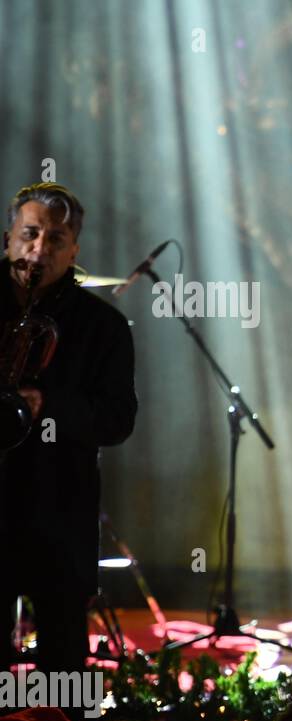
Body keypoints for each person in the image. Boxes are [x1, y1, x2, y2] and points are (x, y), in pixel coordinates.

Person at [0, 183, 137, 683]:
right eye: (30, 234)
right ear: (8, 238)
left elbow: (119, 420)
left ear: (74, 250)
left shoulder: (103, 327)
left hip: (59, 511)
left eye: (56, 239)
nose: (40, 249)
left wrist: (48, 405)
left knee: (64, 670)